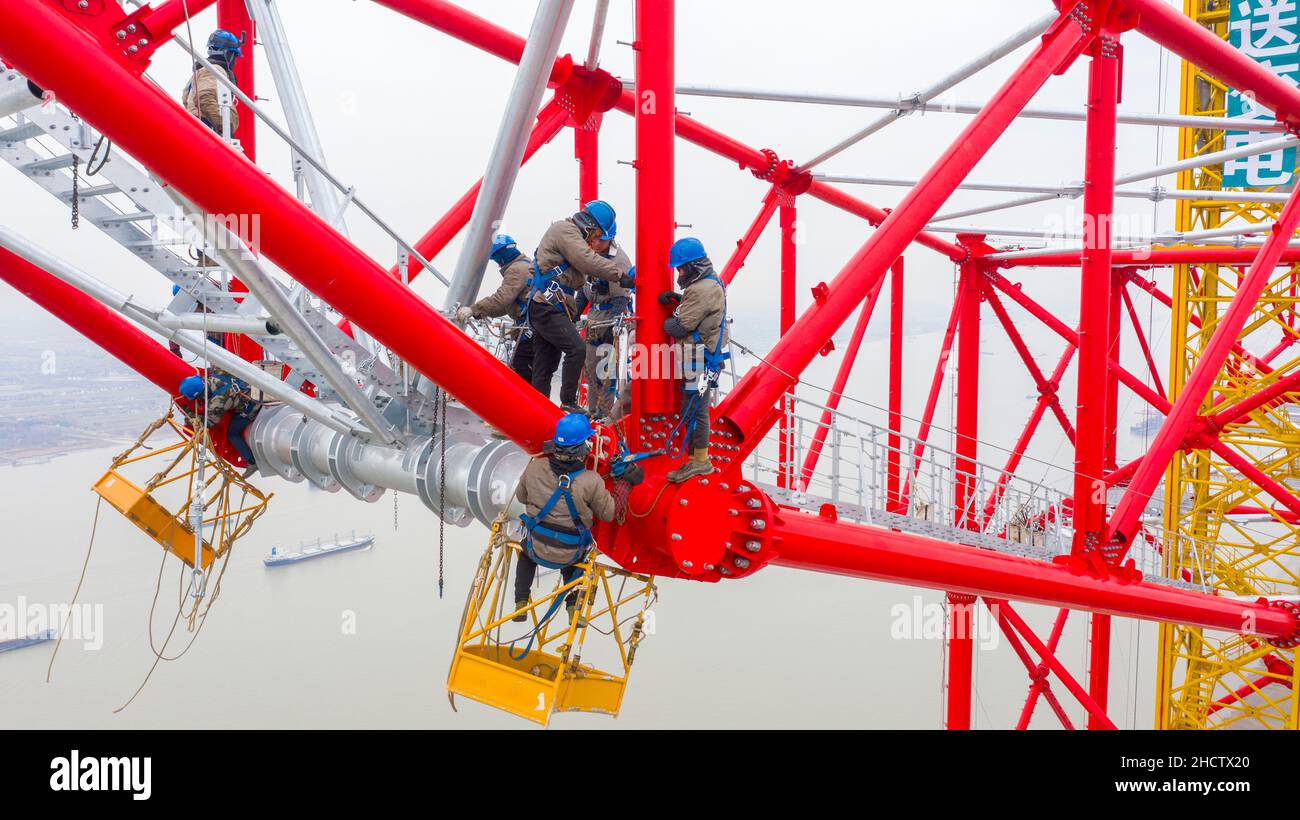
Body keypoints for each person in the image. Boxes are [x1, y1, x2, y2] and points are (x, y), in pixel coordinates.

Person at [511, 414, 621, 623]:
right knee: (575, 556)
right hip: (570, 554)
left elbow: (521, 496)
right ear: (584, 448)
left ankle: (521, 602)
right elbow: (608, 514)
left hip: (536, 547)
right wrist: (624, 485)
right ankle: (573, 610)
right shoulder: (591, 481)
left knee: (525, 555)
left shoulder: (535, 466)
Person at [528, 200, 636, 414]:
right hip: (549, 305)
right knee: (576, 350)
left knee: (548, 361)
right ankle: (567, 402)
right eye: (595, 234)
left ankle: (538, 409)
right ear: (589, 226)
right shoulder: (567, 233)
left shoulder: (613, 256)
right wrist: (620, 276)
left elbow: (615, 298)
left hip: (557, 307)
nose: (594, 240)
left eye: (599, 237)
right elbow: (586, 262)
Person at [660, 237, 728, 483]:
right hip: (705, 356)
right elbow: (698, 311)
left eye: (681, 267)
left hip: (697, 358)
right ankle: (696, 459)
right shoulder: (711, 282)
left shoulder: (700, 289)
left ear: (692, 267)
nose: (679, 272)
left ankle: (699, 462)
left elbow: (680, 326)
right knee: (695, 408)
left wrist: (665, 321)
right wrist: (679, 300)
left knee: (694, 410)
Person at [456, 235, 536, 383]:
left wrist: (473, 309)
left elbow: (501, 299)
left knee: (521, 370)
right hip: (533, 328)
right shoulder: (527, 265)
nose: (497, 264)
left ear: (501, 255)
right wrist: (481, 312)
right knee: (530, 372)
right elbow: (508, 304)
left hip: (529, 330)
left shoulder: (516, 270)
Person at [576, 244, 633, 420]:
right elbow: (584, 291)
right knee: (591, 369)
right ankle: (592, 413)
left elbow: (621, 297)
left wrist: (613, 325)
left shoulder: (618, 260)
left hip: (609, 319)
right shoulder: (589, 255)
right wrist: (574, 314)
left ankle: (605, 415)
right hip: (594, 321)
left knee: (606, 373)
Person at [179, 372, 260, 477]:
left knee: (233, 433)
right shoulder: (216, 376)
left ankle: (252, 462)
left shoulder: (216, 402)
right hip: (256, 393)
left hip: (253, 407)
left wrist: (190, 417)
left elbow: (209, 422)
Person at [182, 30, 243, 136]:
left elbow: (186, 99)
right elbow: (204, 98)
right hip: (208, 130)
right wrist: (224, 127)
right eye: (235, 56)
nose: (235, 61)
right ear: (229, 54)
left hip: (201, 129)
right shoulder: (215, 70)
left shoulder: (202, 71)